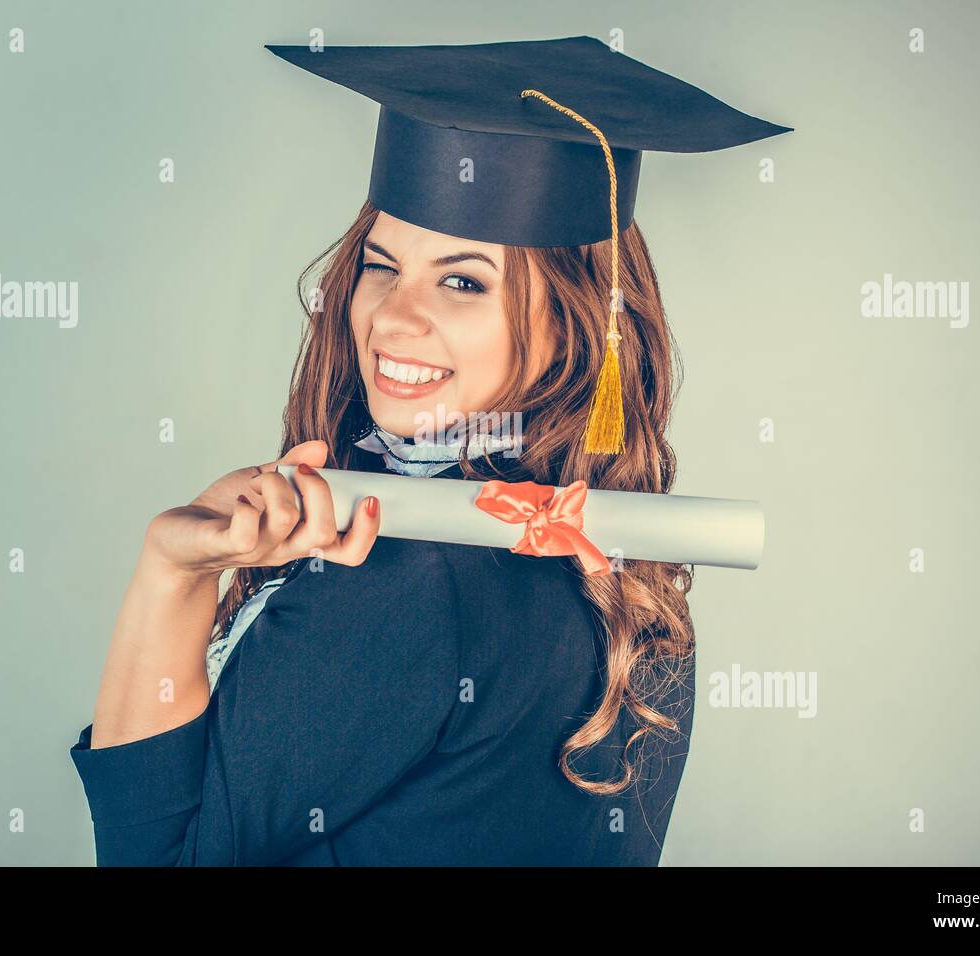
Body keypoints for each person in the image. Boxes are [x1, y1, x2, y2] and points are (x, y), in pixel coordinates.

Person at [69, 35, 791, 866]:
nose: (392, 319)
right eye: (381, 266)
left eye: (463, 281)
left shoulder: (403, 574)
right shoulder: (625, 572)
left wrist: (174, 569)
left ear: (574, 323)